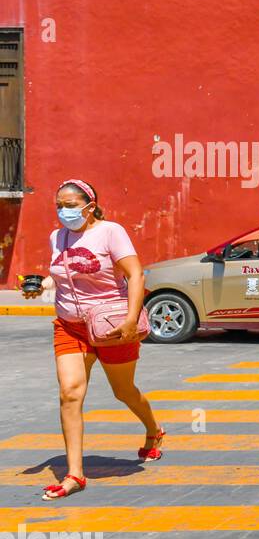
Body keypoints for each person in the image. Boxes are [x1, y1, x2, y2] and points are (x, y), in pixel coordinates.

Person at [42, 179, 164, 500]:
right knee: (69, 394)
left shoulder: (111, 231)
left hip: (111, 327)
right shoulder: (57, 236)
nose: (63, 211)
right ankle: (74, 474)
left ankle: (153, 430)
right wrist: (42, 283)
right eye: (59, 204)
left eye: (70, 205)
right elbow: (64, 273)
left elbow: (136, 274)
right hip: (70, 327)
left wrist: (129, 319)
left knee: (124, 392)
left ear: (90, 205)